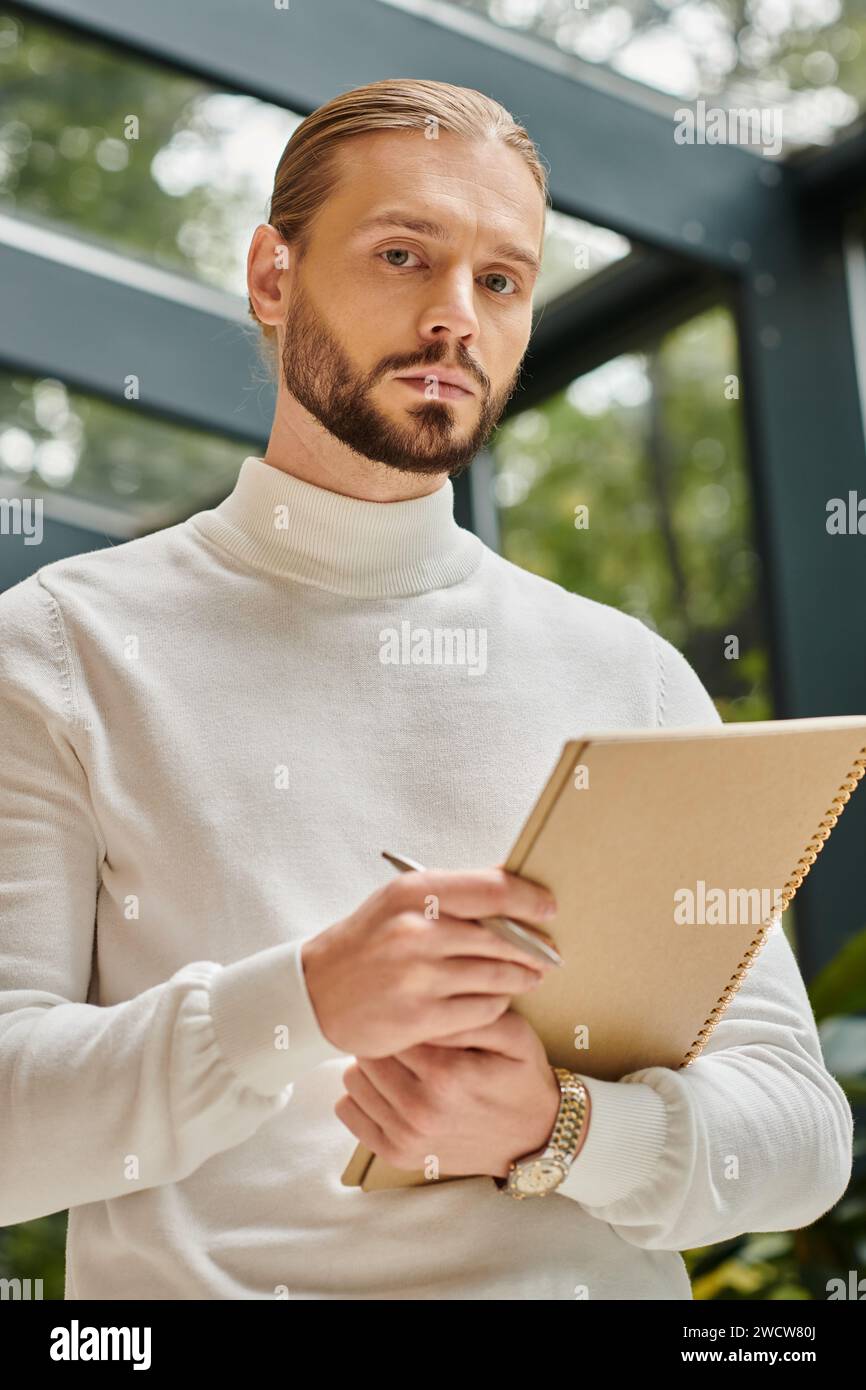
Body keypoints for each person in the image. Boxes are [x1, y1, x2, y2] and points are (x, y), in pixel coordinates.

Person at [0, 78, 852, 1300]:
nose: (456, 316)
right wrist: (293, 1002)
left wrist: (551, 1131)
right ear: (271, 277)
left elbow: (802, 1139)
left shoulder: (628, 675)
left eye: (501, 280)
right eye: (404, 255)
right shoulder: (57, 647)